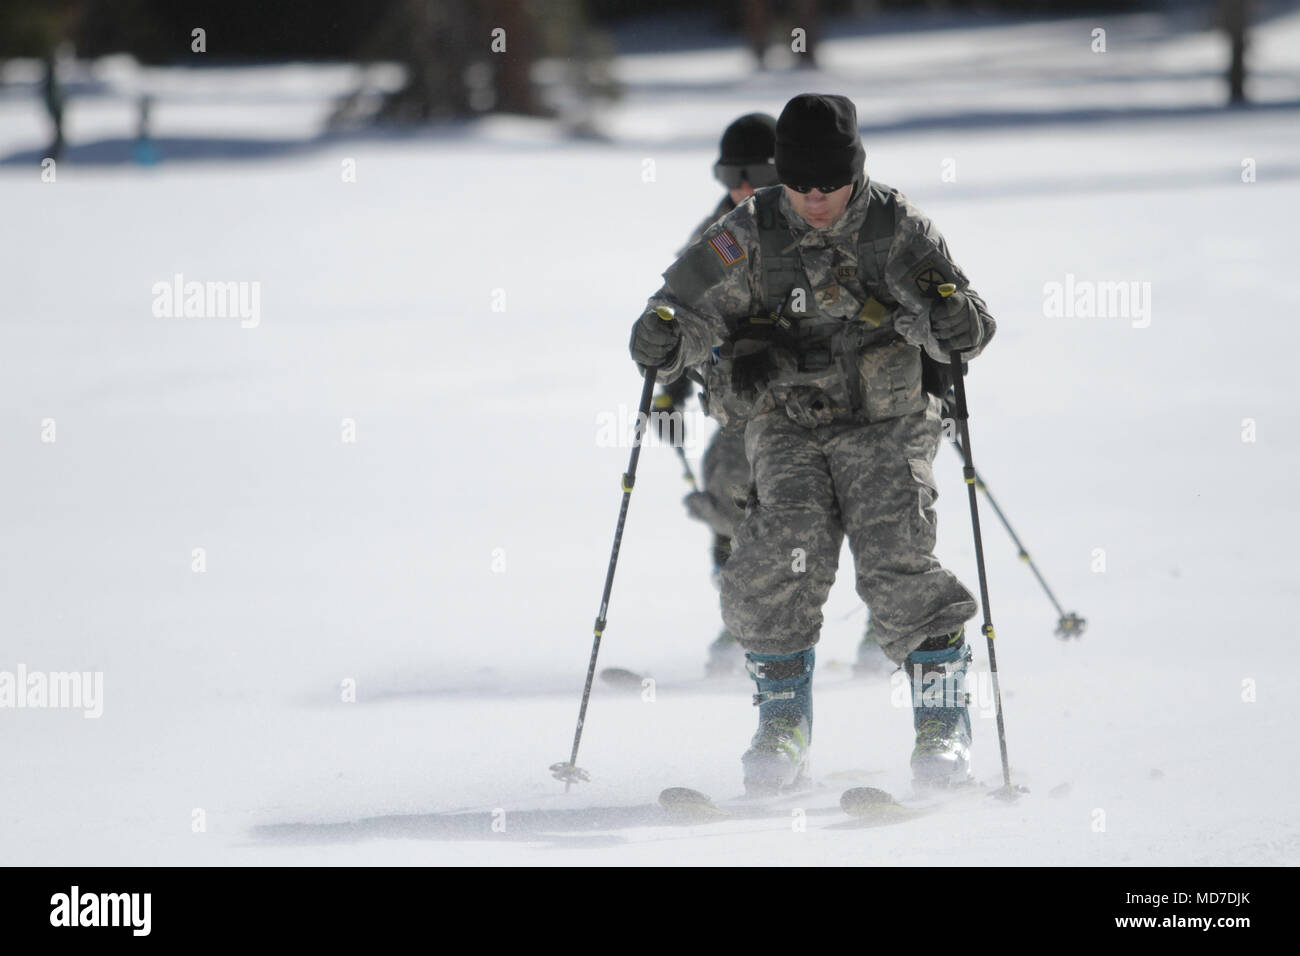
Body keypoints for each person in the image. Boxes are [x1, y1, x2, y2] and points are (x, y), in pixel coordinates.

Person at [629, 93, 995, 792]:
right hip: (785, 422)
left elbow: (968, 322)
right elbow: (686, 306)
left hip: (884, 421)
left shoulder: (896, 228)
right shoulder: (747, 231)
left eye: (829, 184)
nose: (815, 199)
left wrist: (949, 325)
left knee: (898, 562)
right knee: (777, 558)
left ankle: (944, 727)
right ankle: (781, 724)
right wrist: (664, 336)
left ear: (854, 172)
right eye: (800, 185)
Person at [657, 112, 890, 678]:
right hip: (750, 400)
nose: (738, 186)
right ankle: (745, 623)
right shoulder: (720, 235)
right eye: (727, 172)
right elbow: (681, 310)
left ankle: (886, 625)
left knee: (877, 505)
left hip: (853, 396)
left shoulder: (832, 217)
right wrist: (669, 389)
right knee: (733, 496)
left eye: (751, 171)